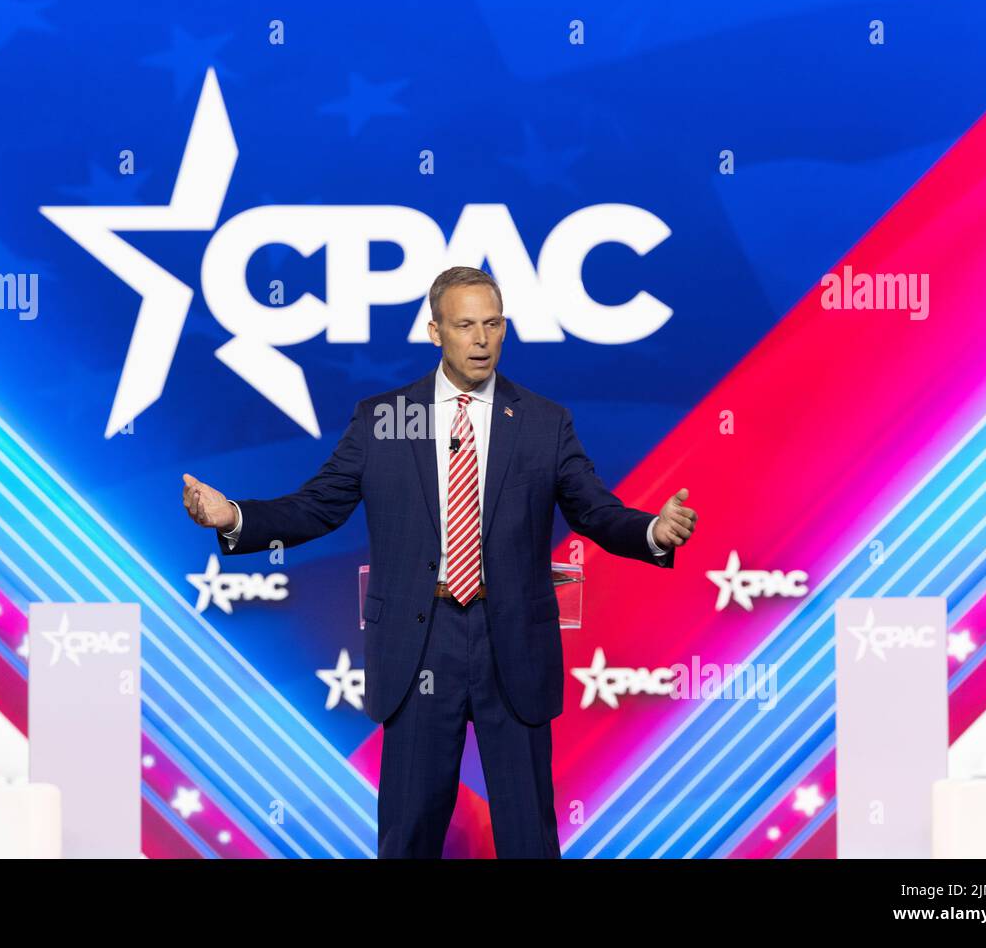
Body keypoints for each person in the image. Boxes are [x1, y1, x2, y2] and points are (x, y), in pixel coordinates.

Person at [182, 265, 697, 857]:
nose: (481, 339)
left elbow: (593, 509)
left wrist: (652, 529)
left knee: (529, 833)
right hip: (419, 642)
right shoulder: (383, 420)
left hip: (513, 643)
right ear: (435, 333)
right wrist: (235, 518)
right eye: (465, 325)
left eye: (493, 324)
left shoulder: (542, 421)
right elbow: (318, 507)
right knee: (409, 832)